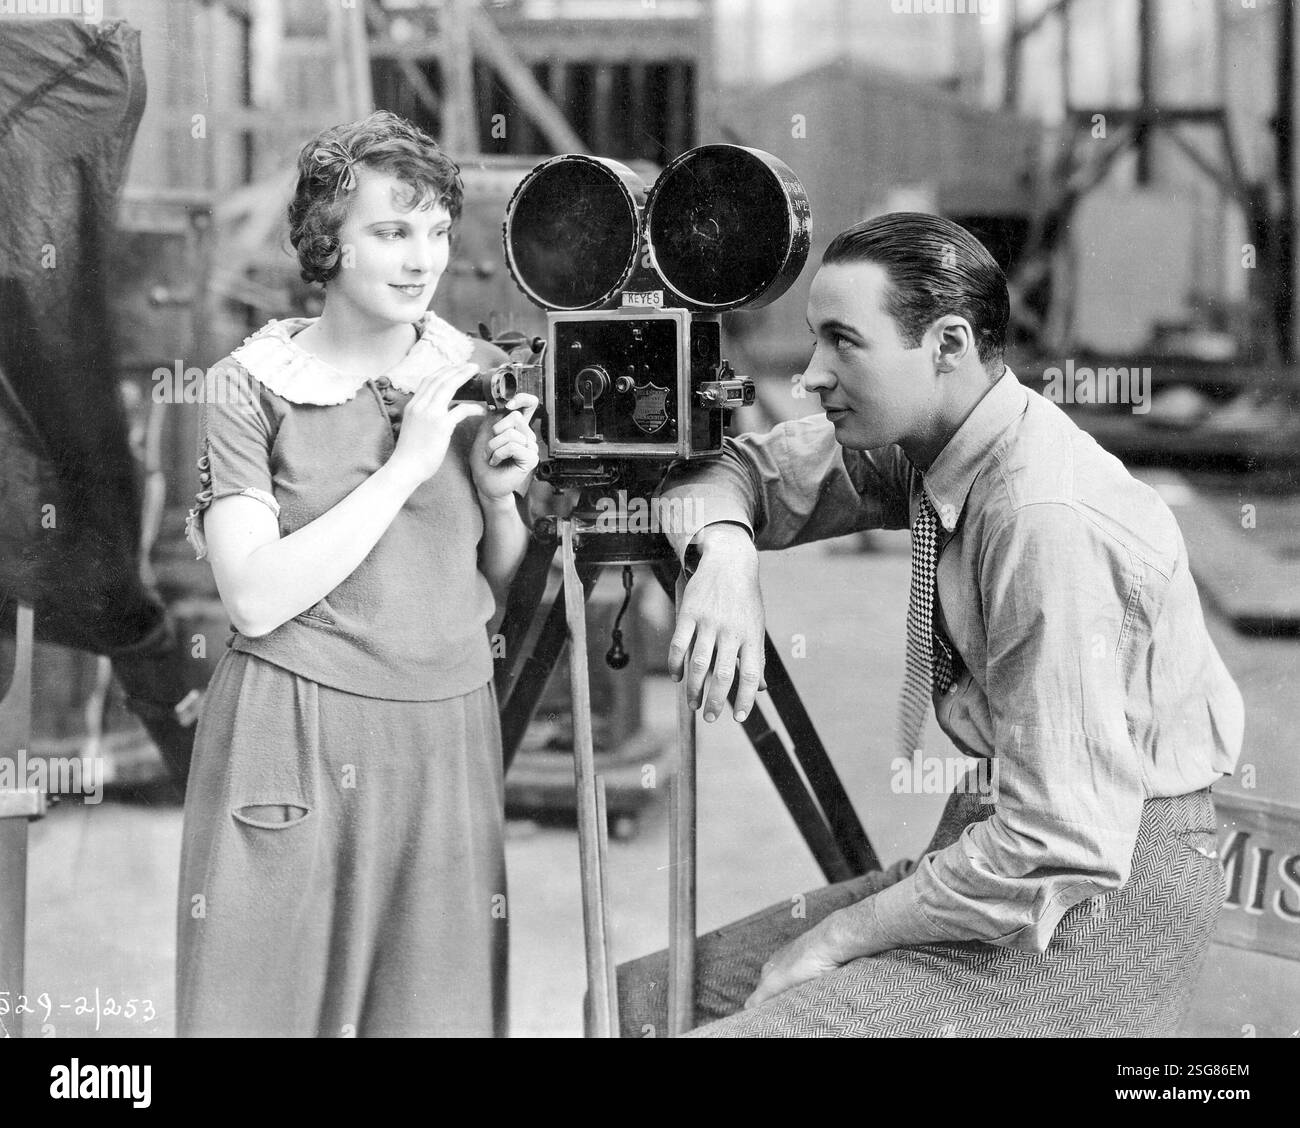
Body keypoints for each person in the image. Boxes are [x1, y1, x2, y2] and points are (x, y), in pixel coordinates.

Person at [620, 212, 1244, 1037]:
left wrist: (838, 938)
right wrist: (727, 554)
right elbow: (735, 467)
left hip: (1094, 898)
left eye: (844, 342)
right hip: (996, 842)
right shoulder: (930, 437)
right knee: (643, 1001)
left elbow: (1061, 841)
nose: (810, 376)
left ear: (946, 344)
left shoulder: (1042, 519)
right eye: (814, 341)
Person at [175, 111, 539, 1037]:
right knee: (256, 1016)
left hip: (448, 725)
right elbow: (253, 596)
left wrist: (500, 502)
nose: (422, 258)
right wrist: (409, 465)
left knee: (438, 1019)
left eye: (436, 232)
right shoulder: (244, 385)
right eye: (390, 231)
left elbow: (490, 589)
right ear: (325, 245)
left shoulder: (474, 372)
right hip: (295, 719)